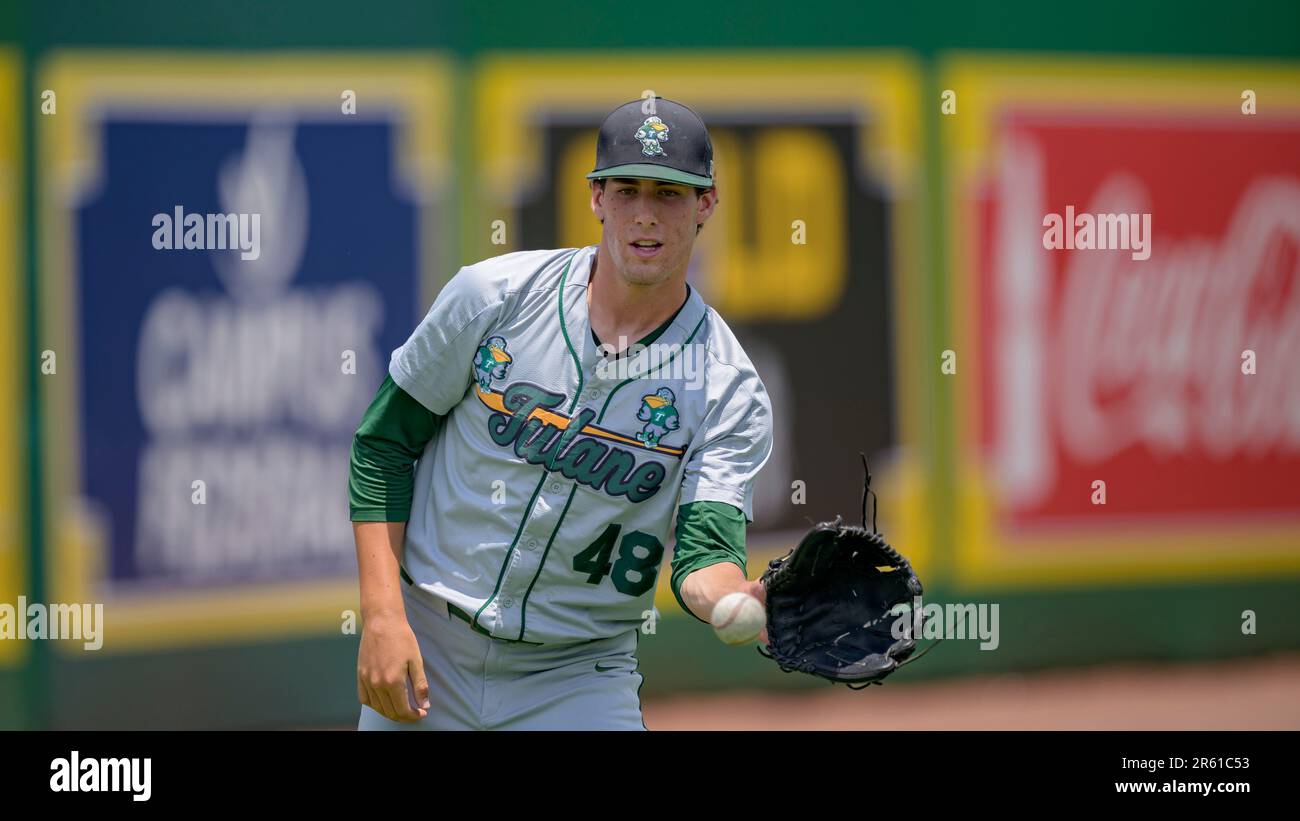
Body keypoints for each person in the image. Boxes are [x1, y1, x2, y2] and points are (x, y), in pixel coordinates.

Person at [348, 97, 774, 730]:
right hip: (431, 643)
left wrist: (732, 598)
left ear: (706, 204)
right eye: (627, 189)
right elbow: (383, 446)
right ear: (597, 196)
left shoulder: (726, 387)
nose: (646, 214)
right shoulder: (493, 297)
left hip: (577, 676)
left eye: (671, 193)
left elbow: (703, 556)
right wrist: (383, 615)